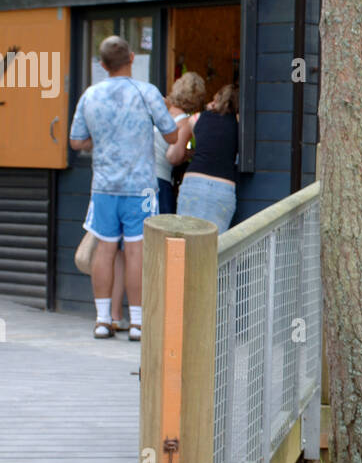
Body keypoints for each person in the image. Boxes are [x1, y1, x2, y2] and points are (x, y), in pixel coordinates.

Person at [69, 36, 178, 341]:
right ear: (132, 57)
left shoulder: (90, 96)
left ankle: (103, 320)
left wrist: (101, 142)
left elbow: (76, 142)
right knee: (136, 252)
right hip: (142, 188)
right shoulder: (146, 93)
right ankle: (138, 323)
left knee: (105, 250)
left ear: (102, 65)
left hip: (104, 187)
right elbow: (170, 137)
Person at [172, 82, 238, 232]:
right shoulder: (239, 123)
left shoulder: (196, 119)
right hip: (223, 185)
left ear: (218, 98)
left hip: (194, 180)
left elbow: (202, 141)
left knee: (185, 240)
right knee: (215, 245)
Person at [153, 72, 206, 215]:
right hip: (159, 181)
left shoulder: (162, 109)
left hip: (140, 177)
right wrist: (190, 153)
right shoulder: (185, 122)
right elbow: (173, 156)